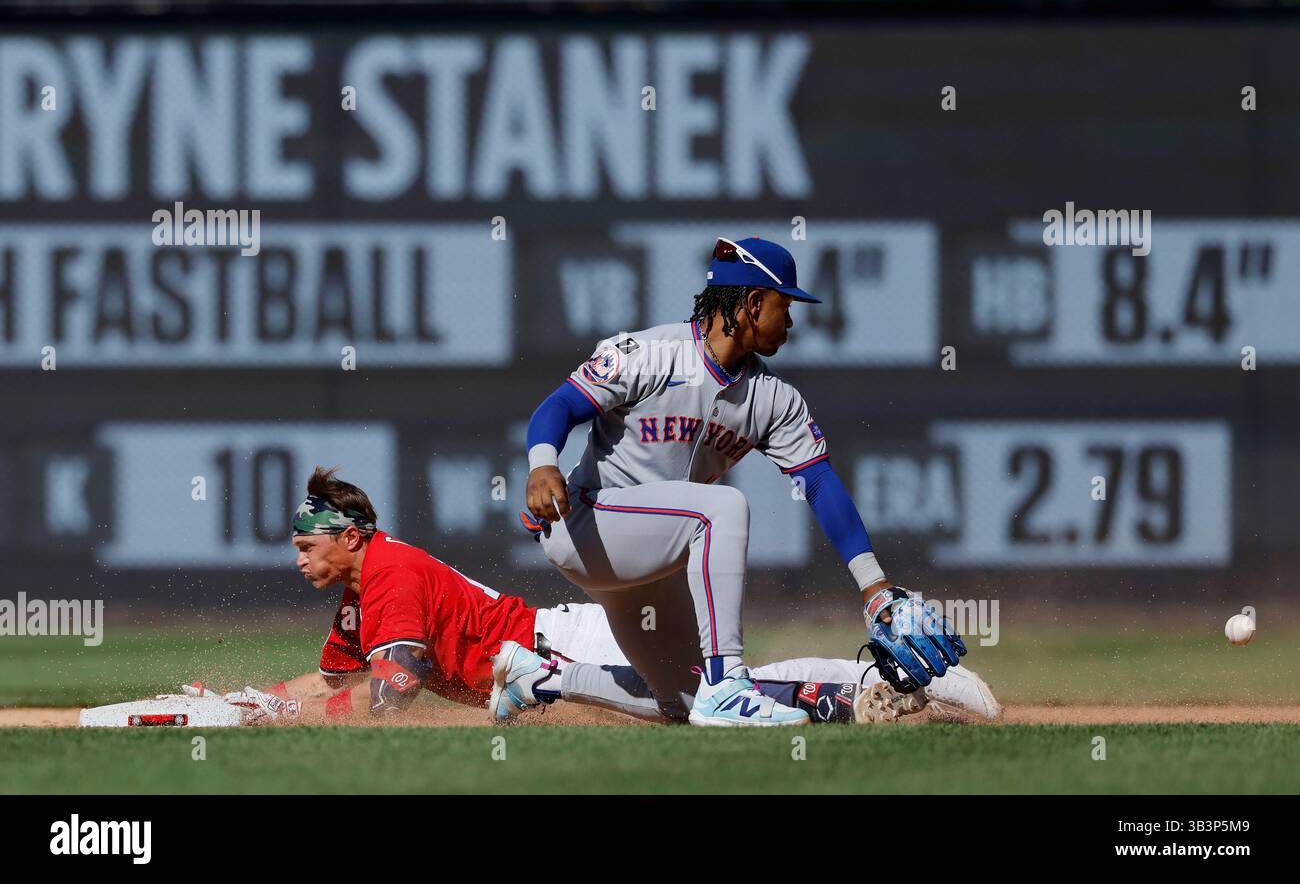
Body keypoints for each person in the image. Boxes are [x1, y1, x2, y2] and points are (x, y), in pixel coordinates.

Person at [522, 236, 968, 726]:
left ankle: (539, 678)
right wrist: (544, 464)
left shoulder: (773, 399)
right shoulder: (649, 353)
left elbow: (819, 484)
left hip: (650, 560)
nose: (792, 321)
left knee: (679, 701)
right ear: (754, 303)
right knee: (722, 509)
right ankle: (728, 679)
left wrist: (874, 586)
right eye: (786, 305)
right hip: (588, 524)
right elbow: (558, 406)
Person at [254, 466, 997, 725]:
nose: (298, 557)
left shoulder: (389, 571)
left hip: (563, 646)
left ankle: (884, 677)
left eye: (306, 542)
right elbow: (333, 679)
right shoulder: (360, 595)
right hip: (549, 651)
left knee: (718, 697)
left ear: (348, 535)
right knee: (708, 701)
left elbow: (396, 689)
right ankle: (871, 682)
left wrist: (313, 715)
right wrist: (262, 703)